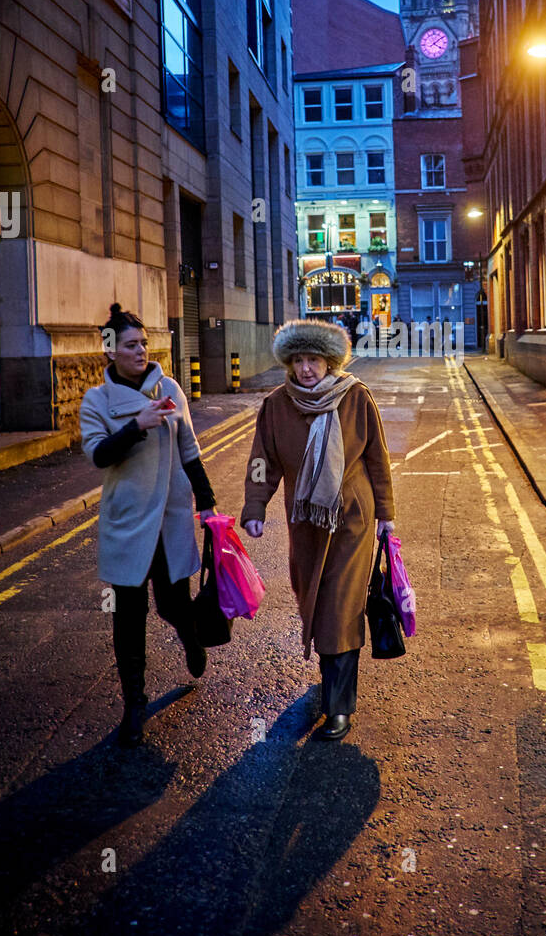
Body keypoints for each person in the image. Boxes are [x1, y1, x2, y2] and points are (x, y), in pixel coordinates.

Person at [240, 318, 395, 739]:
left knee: (341, 606)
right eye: (299, 360)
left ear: (331, 362)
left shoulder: (355, 397)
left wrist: (387, 515)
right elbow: (262, 461)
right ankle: (330, 684)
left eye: (315, 359)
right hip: (305, 523)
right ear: (290, 363)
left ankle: (339, 705)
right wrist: (255, 506)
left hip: (351, 519)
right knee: (315, 599)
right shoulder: (276, 405)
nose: (307, 368)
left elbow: (377, 458)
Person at [79, 304, 218, 748]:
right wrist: (136, 425)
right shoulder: (96, 401)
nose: (141, 351)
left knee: (174, 604)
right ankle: (133, 706)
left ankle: (191, 636)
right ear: (110, 350)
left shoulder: (169, 386)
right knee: (127, 615)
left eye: (143, 343)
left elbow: (190, 451)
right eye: (130, 345)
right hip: (128, 524)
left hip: (172, 521)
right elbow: (99, 456)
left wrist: (209, 506)